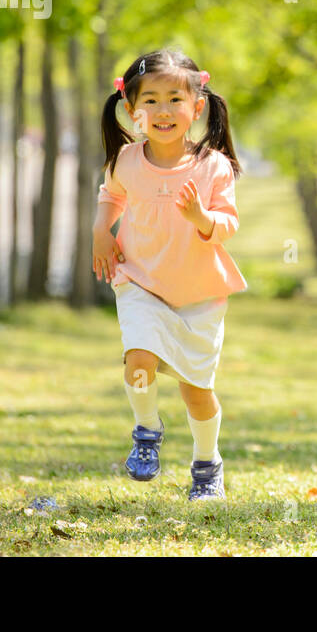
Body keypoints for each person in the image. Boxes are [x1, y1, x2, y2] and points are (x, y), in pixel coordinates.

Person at [92, 49, 246, 501]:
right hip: (139, 280)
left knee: (196, 391)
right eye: (151, 101)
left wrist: (201, 217)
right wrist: (102, 229)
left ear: (197, 106)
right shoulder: (126, 159)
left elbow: (228, 224)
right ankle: (146, 430)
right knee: (137, 358)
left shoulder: (213, 166)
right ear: (132, 109)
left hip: (200, 294)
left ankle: (206, 464)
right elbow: (111, 195)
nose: (163, 111)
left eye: (174, 99)